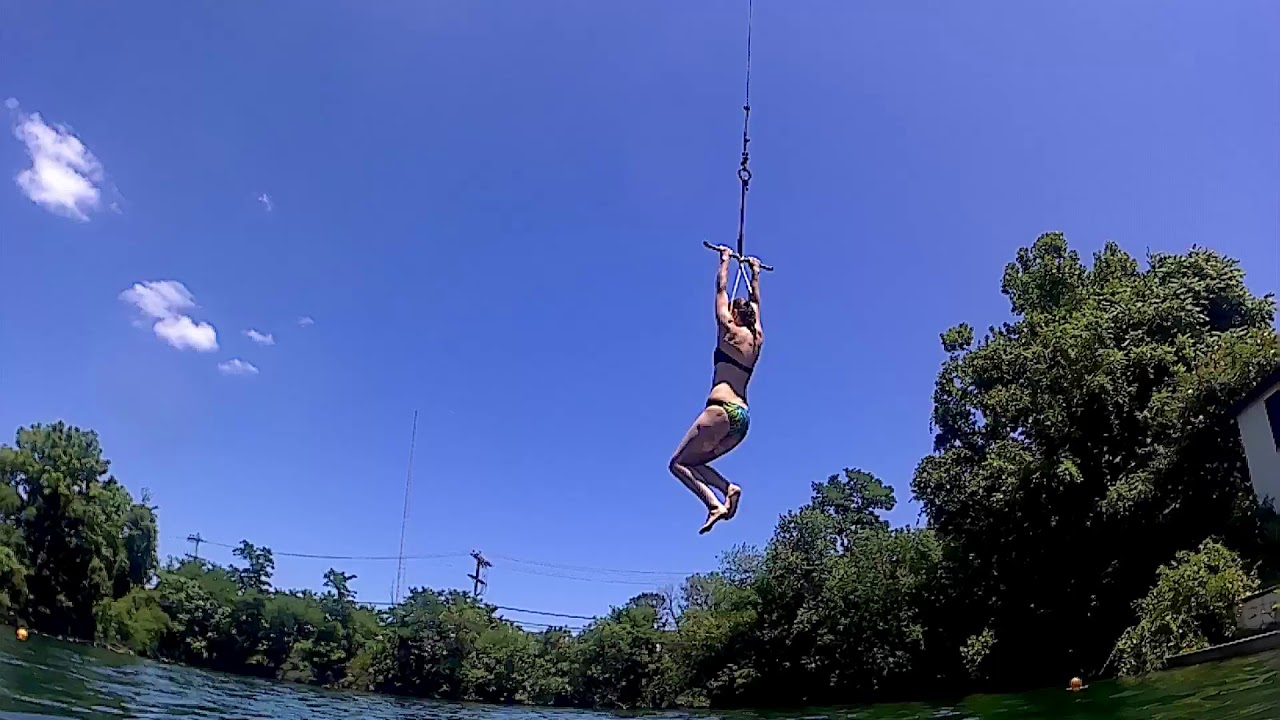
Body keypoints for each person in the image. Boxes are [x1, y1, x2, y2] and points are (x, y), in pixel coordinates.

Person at [669, 245, 764, 534]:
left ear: (734, 315)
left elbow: (721, 289)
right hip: (742, 419)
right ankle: (728, 488)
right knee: (694, 462)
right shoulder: (757, 337)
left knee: (677, 464)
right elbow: (756, 303)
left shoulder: (728, 330)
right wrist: (754, 274)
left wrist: (724, 260)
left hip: (721, 411)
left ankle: (714, 503)